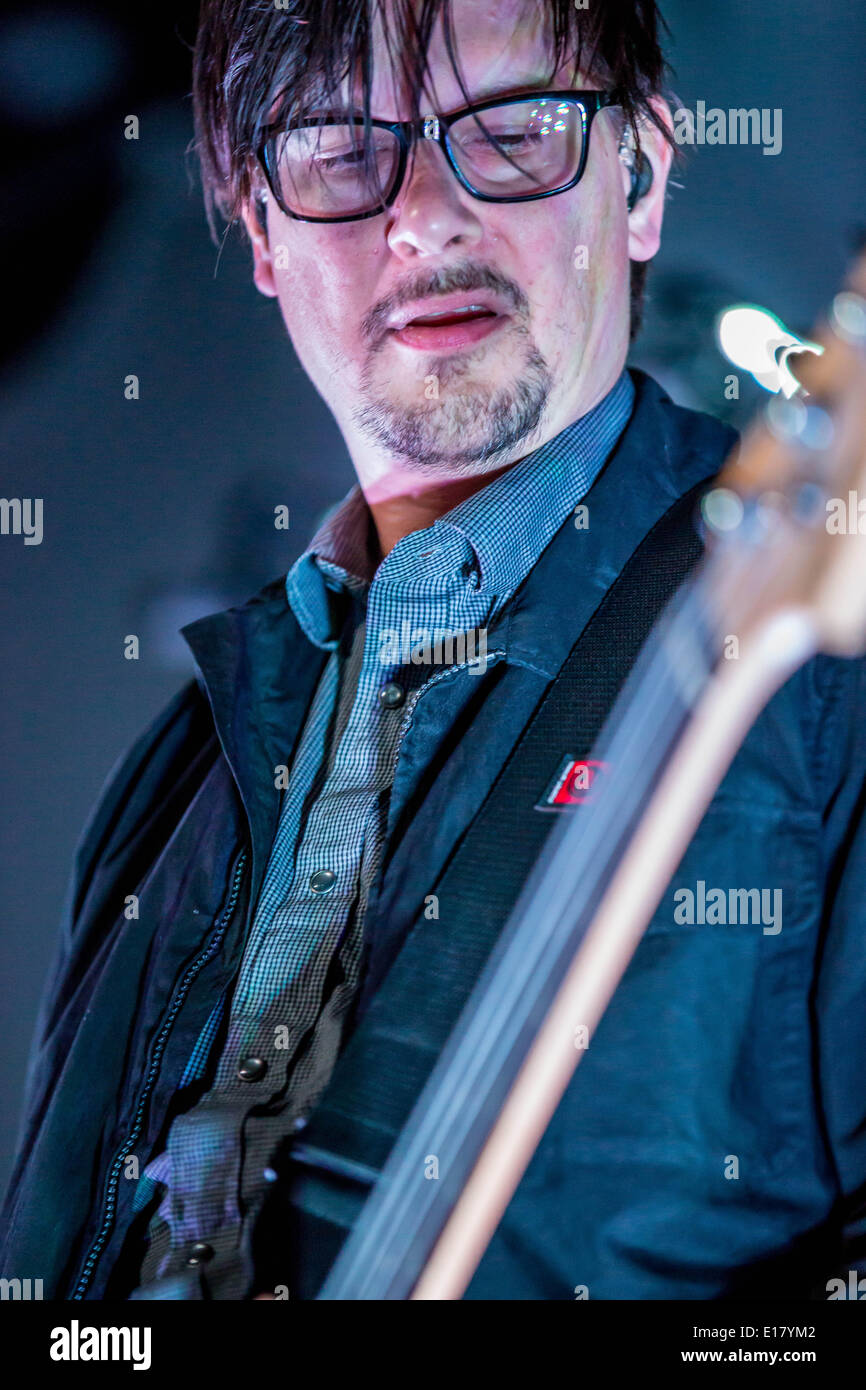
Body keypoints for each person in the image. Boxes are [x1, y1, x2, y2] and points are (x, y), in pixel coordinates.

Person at [3, 0, 865, 1302]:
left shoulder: (818, 686)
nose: (423, 215)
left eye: (509, 134)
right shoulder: (172, 769)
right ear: (261, 236)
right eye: (342, 155)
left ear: (636, 175)